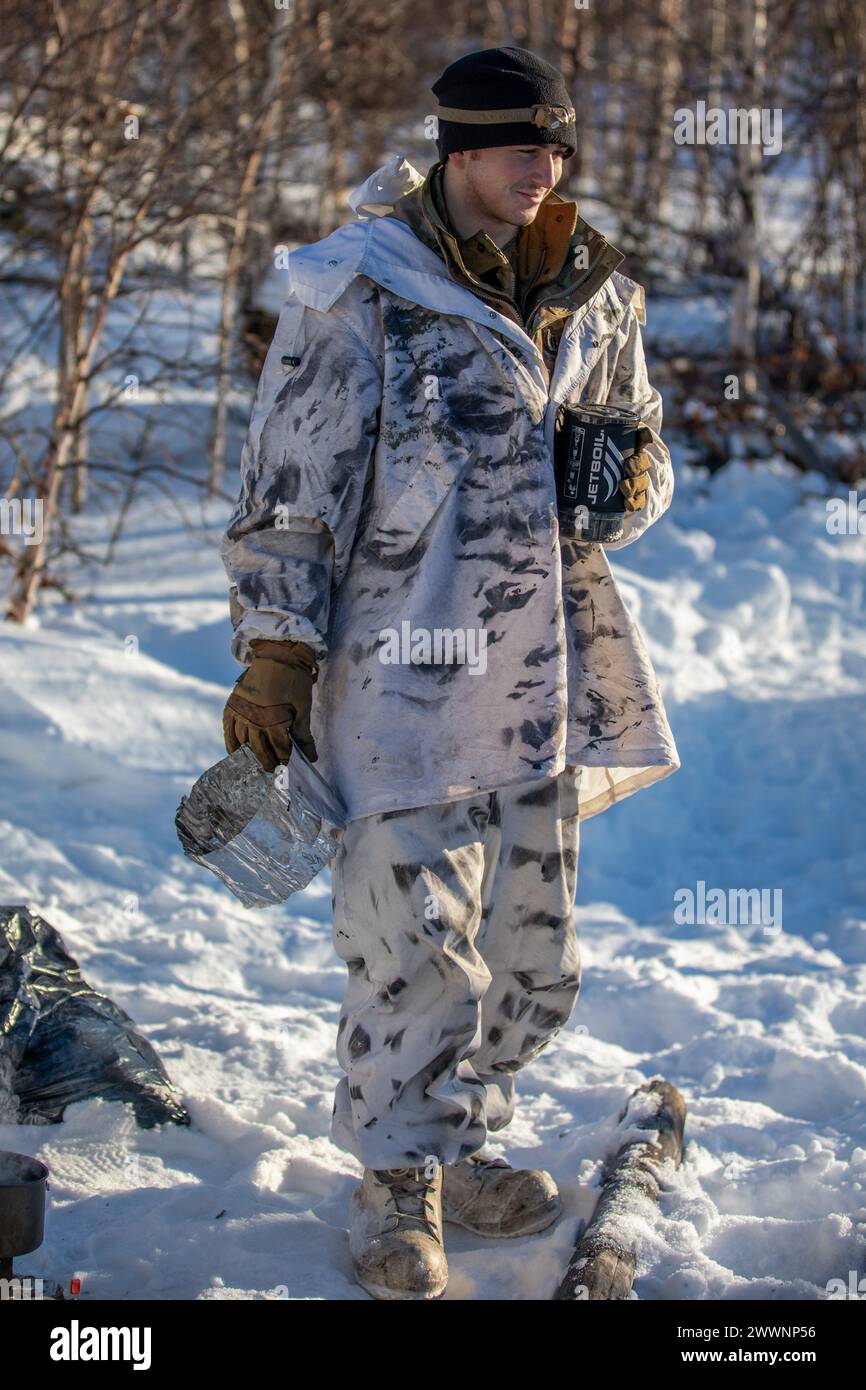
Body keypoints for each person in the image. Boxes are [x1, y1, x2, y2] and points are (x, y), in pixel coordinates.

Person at [220, 46, 680, 1301]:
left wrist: (634, 483)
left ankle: (465, 1142)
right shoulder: (357, 290)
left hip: (542, 682)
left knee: (531, 948)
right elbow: (287, 497)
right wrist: (274, 653)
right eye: (518, 147)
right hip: (402, 677)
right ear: (457, 152)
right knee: (411, 943)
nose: (544, 170)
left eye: (557, 148)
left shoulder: (594, 292)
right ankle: (396, 1187)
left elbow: (632, 455)